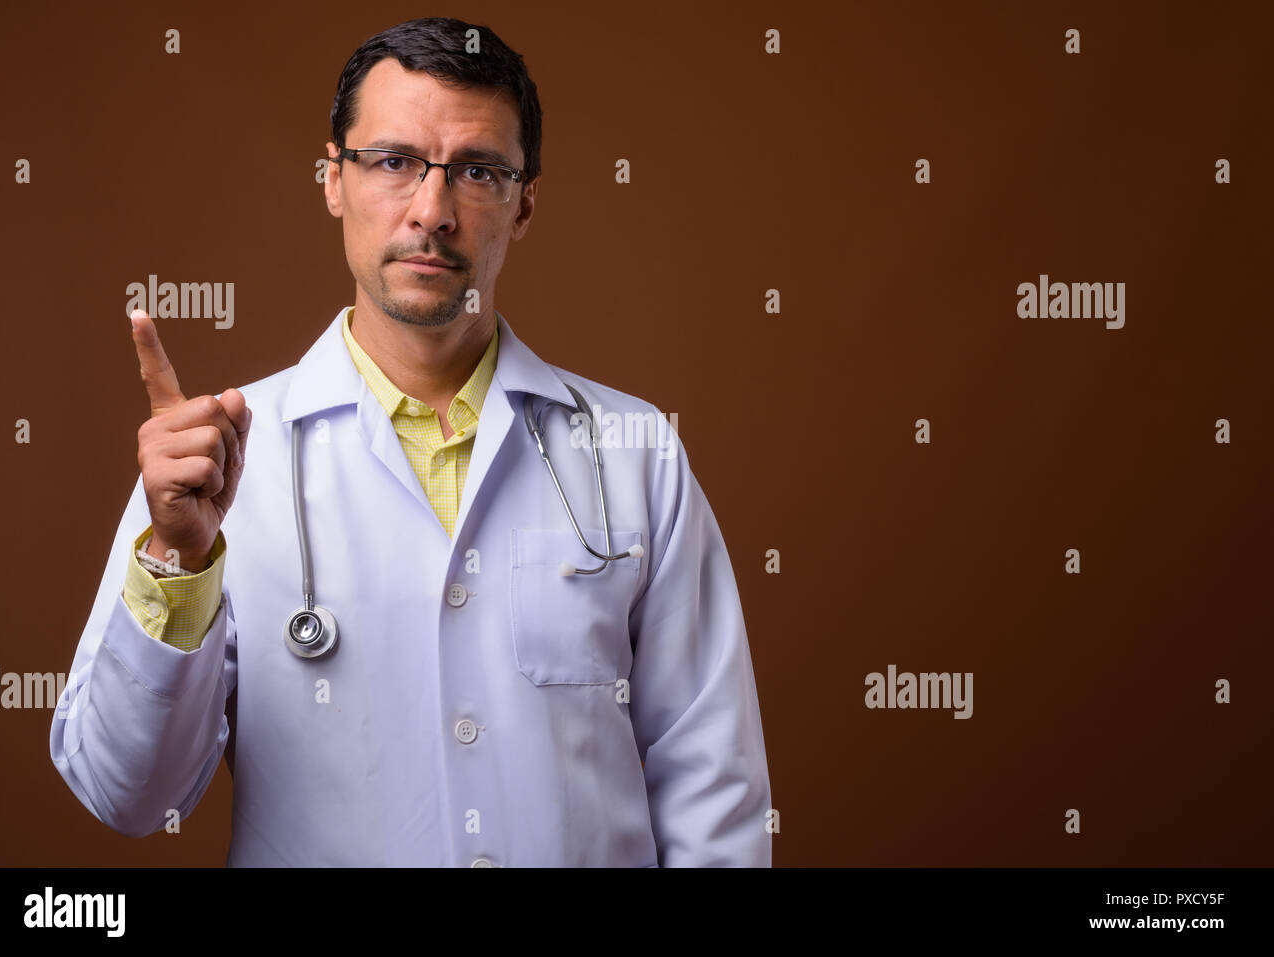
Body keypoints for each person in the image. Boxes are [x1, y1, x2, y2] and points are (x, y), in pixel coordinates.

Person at [49, 16, 771, 867]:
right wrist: (178, 560)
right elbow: (128, 795)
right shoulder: (209, 468)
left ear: (524, 202)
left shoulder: (633, 451)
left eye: (476, 172)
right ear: (333, 179)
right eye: (393, 162)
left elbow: (713, 792)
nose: (432, 211)